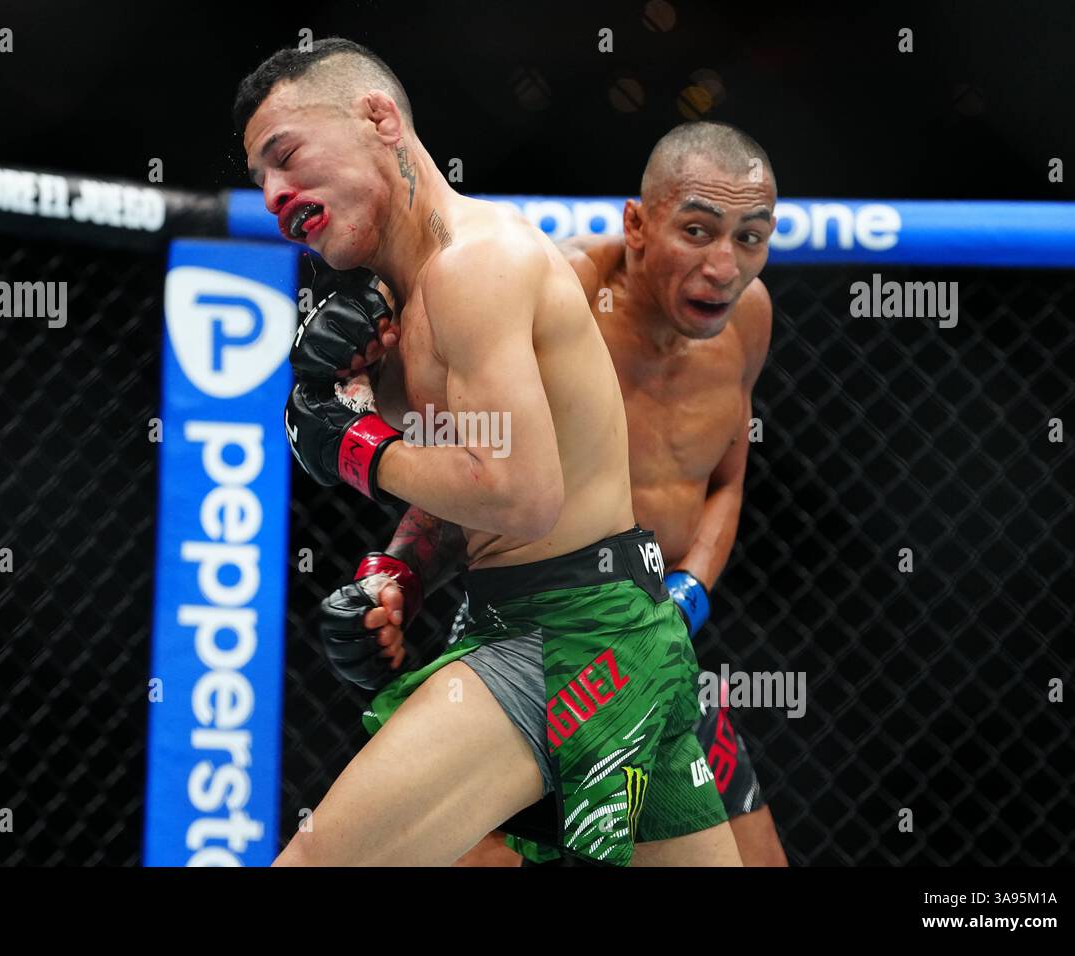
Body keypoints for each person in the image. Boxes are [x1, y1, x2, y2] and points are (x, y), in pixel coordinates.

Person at [237, 37, 739, 865]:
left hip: (566, 643)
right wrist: (396, 571)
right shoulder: (399, 308)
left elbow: (519, 495)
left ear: (378, 117)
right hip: (604, 634)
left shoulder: (479, 263)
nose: (274, 195)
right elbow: (469, 493)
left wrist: (355, 447)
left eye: (285, 157)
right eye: (259, 179)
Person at [322, 122, 787, 866]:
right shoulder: (564, 293)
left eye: (751, 237)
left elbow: (727, 480)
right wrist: (399, 569)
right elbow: (484, 473)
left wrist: (690, 592)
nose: (724, 267)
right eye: (697, 231)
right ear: (637, 224)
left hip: (651, 643)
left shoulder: (750, 319)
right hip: (543, 640)